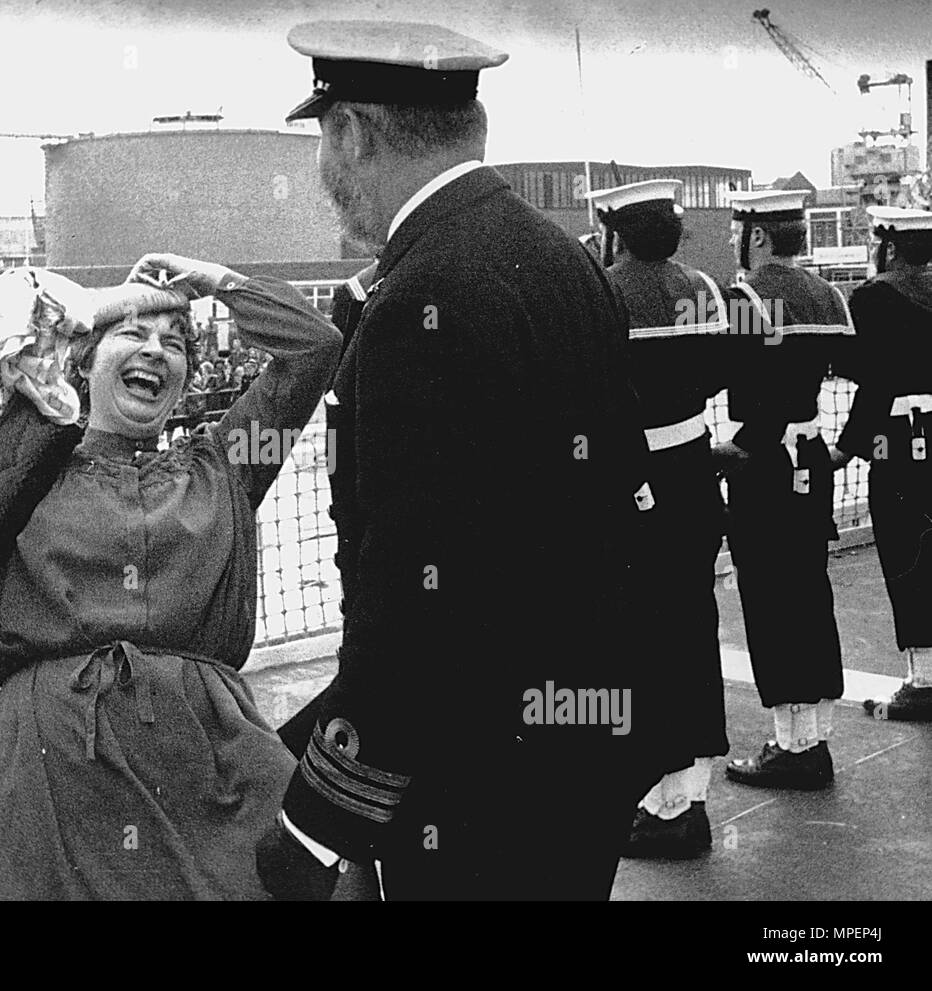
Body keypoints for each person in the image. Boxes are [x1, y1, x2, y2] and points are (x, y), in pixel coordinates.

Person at [257, 20, 660, 901]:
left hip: (474, 776)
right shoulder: (561, 257)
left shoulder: (421, 295)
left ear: (351, 133)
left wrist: (319, 819)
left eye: (325, 140)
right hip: (574, 745)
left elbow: (417, 592)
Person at [0, 258, 341, 899]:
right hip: (55, 782)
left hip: (208, 775)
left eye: (175, 342)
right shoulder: (18, 473)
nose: (156, 350)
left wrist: (215, 281)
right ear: (84, 357)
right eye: (133, 332)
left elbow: (315, 347)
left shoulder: (225, 466)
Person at [586, 180, 732, 859]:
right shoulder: (703, 286)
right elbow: (718, 375)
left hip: (632, 483)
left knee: (637, 639)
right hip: (695, 471)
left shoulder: (604, 291)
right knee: (691, 627)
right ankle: (690, 793)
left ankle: (663, 804)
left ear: (617, 231)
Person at [716, 190, 854, 790]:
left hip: (765, 460)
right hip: (813, 455)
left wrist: (738, 446)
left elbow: (722, 373)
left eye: (737, 232)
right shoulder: (828, 295)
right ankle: (814, 736)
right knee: (808, 591)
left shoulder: (746, 300)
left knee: (771, 599)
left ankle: (790, 745)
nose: (731, 243)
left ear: (760, 238)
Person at [831, 206, 932, 721]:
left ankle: (923, 681)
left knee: (906, 556)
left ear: (889, 247)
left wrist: (847, 447)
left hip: (898, 440)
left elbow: (867, 378)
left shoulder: (873, 297)